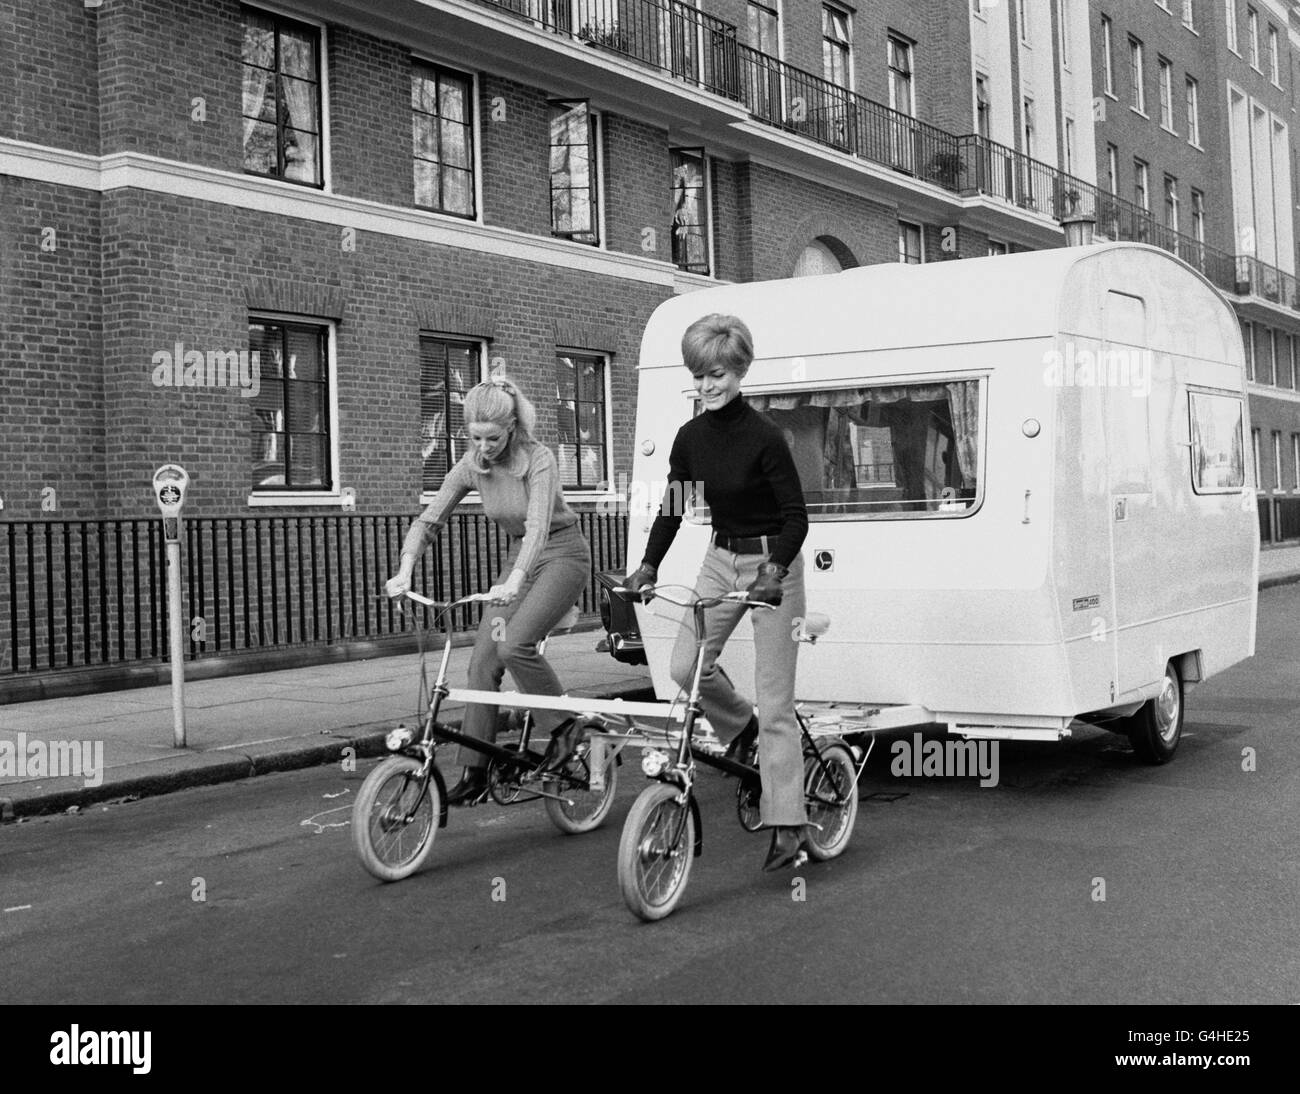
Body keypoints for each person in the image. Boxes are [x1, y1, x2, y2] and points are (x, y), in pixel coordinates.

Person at [625, 314, 811, 871]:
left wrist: (775, 567)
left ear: (740, 372)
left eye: (720, 374)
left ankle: (788, 825)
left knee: (776, 700)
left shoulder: (766, 438)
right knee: (684, 666)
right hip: (720, 558)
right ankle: (740, 728)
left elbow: (796, 517)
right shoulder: (690, 438)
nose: (709, 385)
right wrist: (647, 566)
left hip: (773, 564)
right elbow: (673, 509)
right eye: (701, 374)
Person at [386, 376, 592, 805]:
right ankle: (477, 770)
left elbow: (537, 526)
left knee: (514, 644)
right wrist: (405, 569)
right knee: (482, 662)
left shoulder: (539, 459)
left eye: (492, 437)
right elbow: (429, 520)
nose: (484, 447)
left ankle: (565, 727)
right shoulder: (472, 465)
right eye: (475, 437)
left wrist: (516, 578)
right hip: (520, 560)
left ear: (512, 427)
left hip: (561, 554)